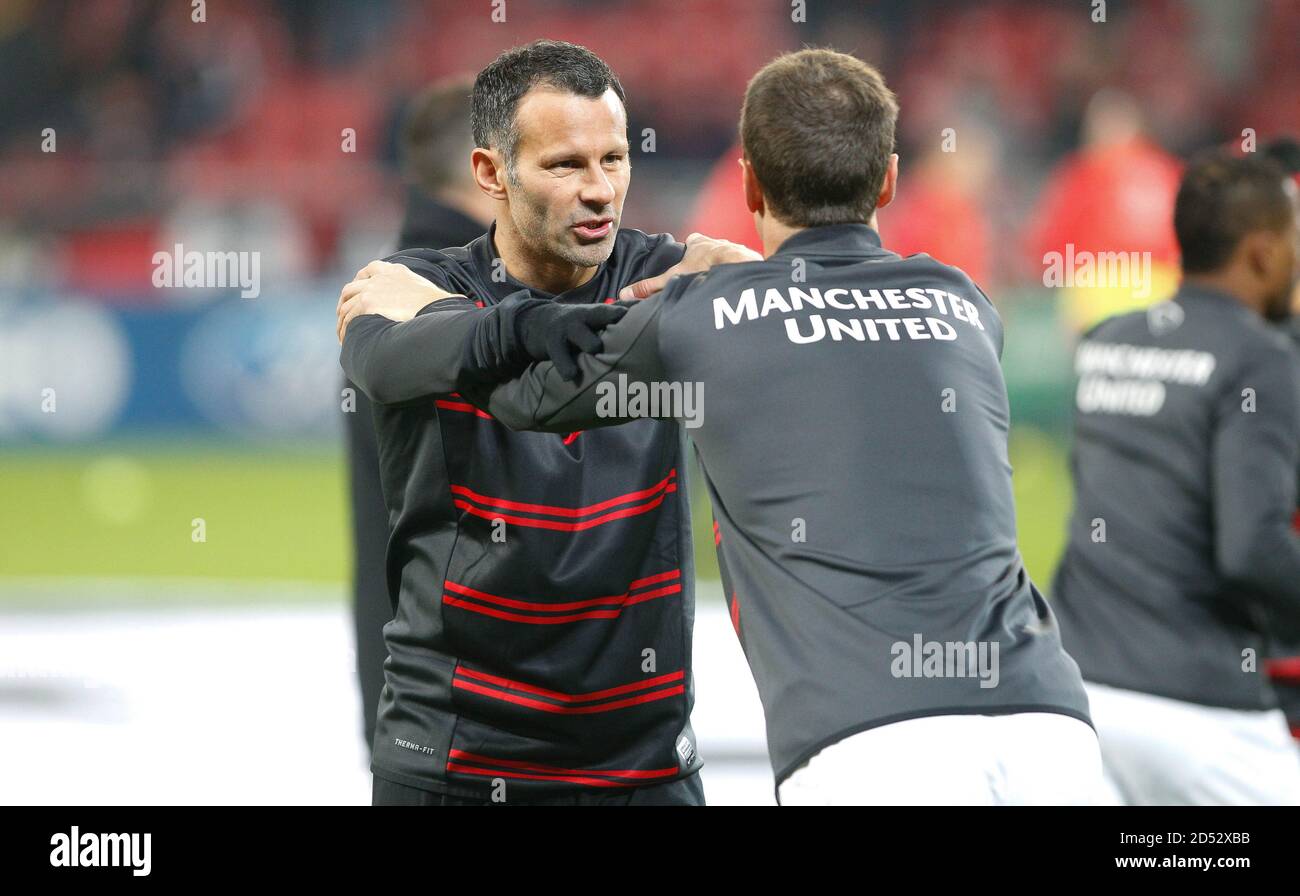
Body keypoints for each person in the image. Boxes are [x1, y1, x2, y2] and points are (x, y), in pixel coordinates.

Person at [406, 48, 1103, 805]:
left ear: (748, 184)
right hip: (1050, 723)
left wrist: (415, 311)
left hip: (866, 743)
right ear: (892, 180)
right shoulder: (966, 306)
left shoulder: (705, 317)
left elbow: (523, 398)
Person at [337, 40, 755, 806]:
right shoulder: (417, 284)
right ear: (491, 175)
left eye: (614, 159)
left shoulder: (673, 276)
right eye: (565, 165)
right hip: (456, 762)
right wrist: (521, 328)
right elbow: (378, 363)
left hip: (646, 767)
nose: (599, 190)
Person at [1050, 152, 1300, 804]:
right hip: (1203, 709)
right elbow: (1252, 549)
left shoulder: (1106, 342)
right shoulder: (1261, 359)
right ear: (1262, 252)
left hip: (1080, 693)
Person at [346, 76, 494, 761]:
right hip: (475, 714)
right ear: (486, 166)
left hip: (414, 704)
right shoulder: (448, 298)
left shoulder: (392, 288)